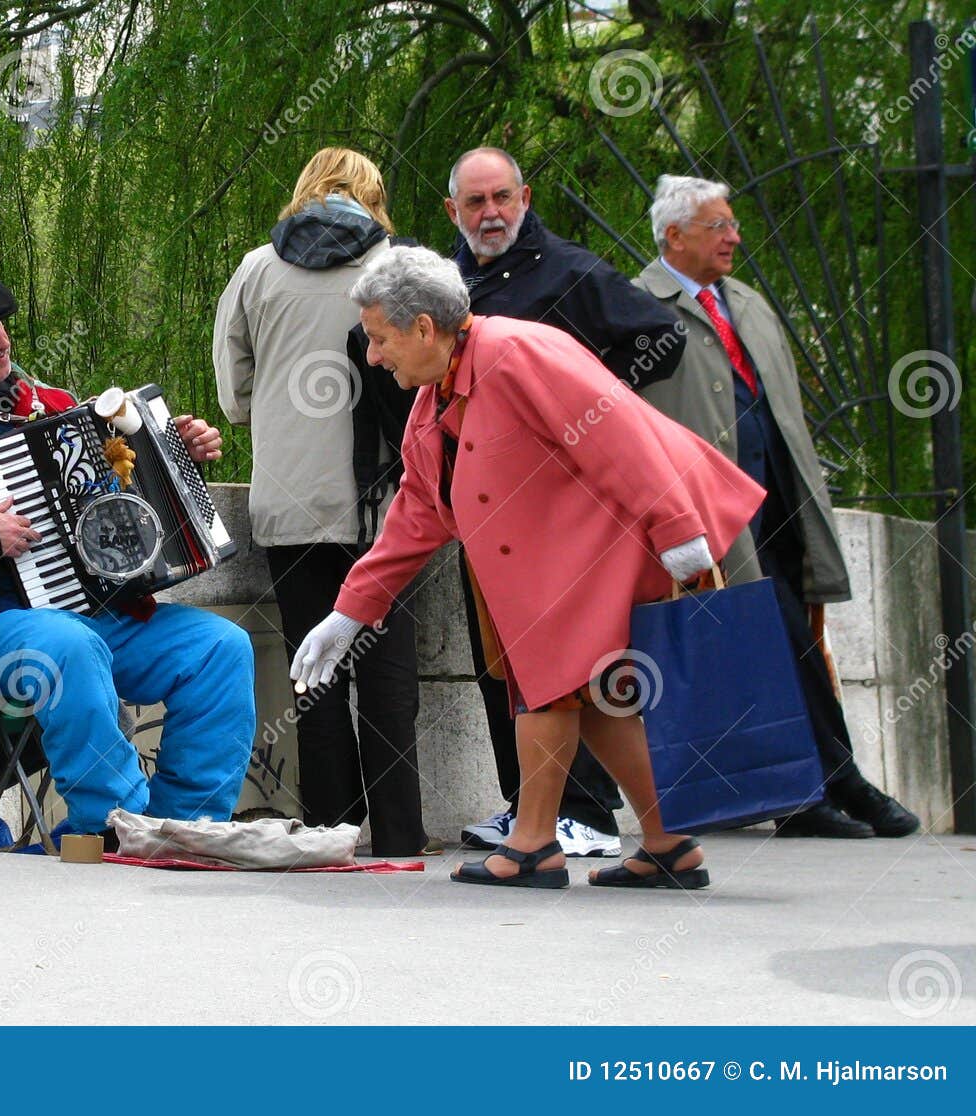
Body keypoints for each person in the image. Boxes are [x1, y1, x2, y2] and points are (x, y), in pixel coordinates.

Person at [293, 245, 765, 889]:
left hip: (616, 540)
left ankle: (534, 844)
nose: (372, 355)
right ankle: (667, 843)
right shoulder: (432, 400)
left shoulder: (519, 353)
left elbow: (619, 432)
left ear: (424, 328)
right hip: (565, 562)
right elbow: (417, 513)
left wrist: (679, 530)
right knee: (594, 698)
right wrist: (350, 614)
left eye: (379, 339)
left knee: (550, 684)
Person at [0, 271, 256, 839]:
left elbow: (115, 502)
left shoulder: (55, 407)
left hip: (92, 616)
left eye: (0, 325)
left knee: (221, 647)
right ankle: (114, 826)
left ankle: (186, 829)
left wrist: (175, 453)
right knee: (70, 645)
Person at [635, 174, 919, 839]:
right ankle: (826, 785)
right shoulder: (641, 305)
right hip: (710, 512)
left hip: (782, 500)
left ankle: (812, 788)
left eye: (733, 224)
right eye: (718, 226)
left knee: (792, 637)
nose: (734, 236)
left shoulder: (750, 304)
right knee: (772, 640)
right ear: (675, 235)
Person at [439, 147, 689, 857]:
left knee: (570, 665)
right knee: (504, 665)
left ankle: (583, 814)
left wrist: (586, 408)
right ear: (452, 212)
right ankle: (531, 807)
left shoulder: (572, 271)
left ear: (525, 196)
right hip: (482, 507)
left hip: (564, 513)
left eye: (503, 198)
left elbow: (662, 336)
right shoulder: (448, 286)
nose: (491, 214)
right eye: (476, 202)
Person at [213, 147, 440, 857]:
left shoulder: (255, 269)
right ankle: (400, 836)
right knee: (387, 679)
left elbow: (232, 399)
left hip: (290, 502)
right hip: (384, 506)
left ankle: (328, 836)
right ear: (372, 195)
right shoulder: (400, 270)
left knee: (315, 677)